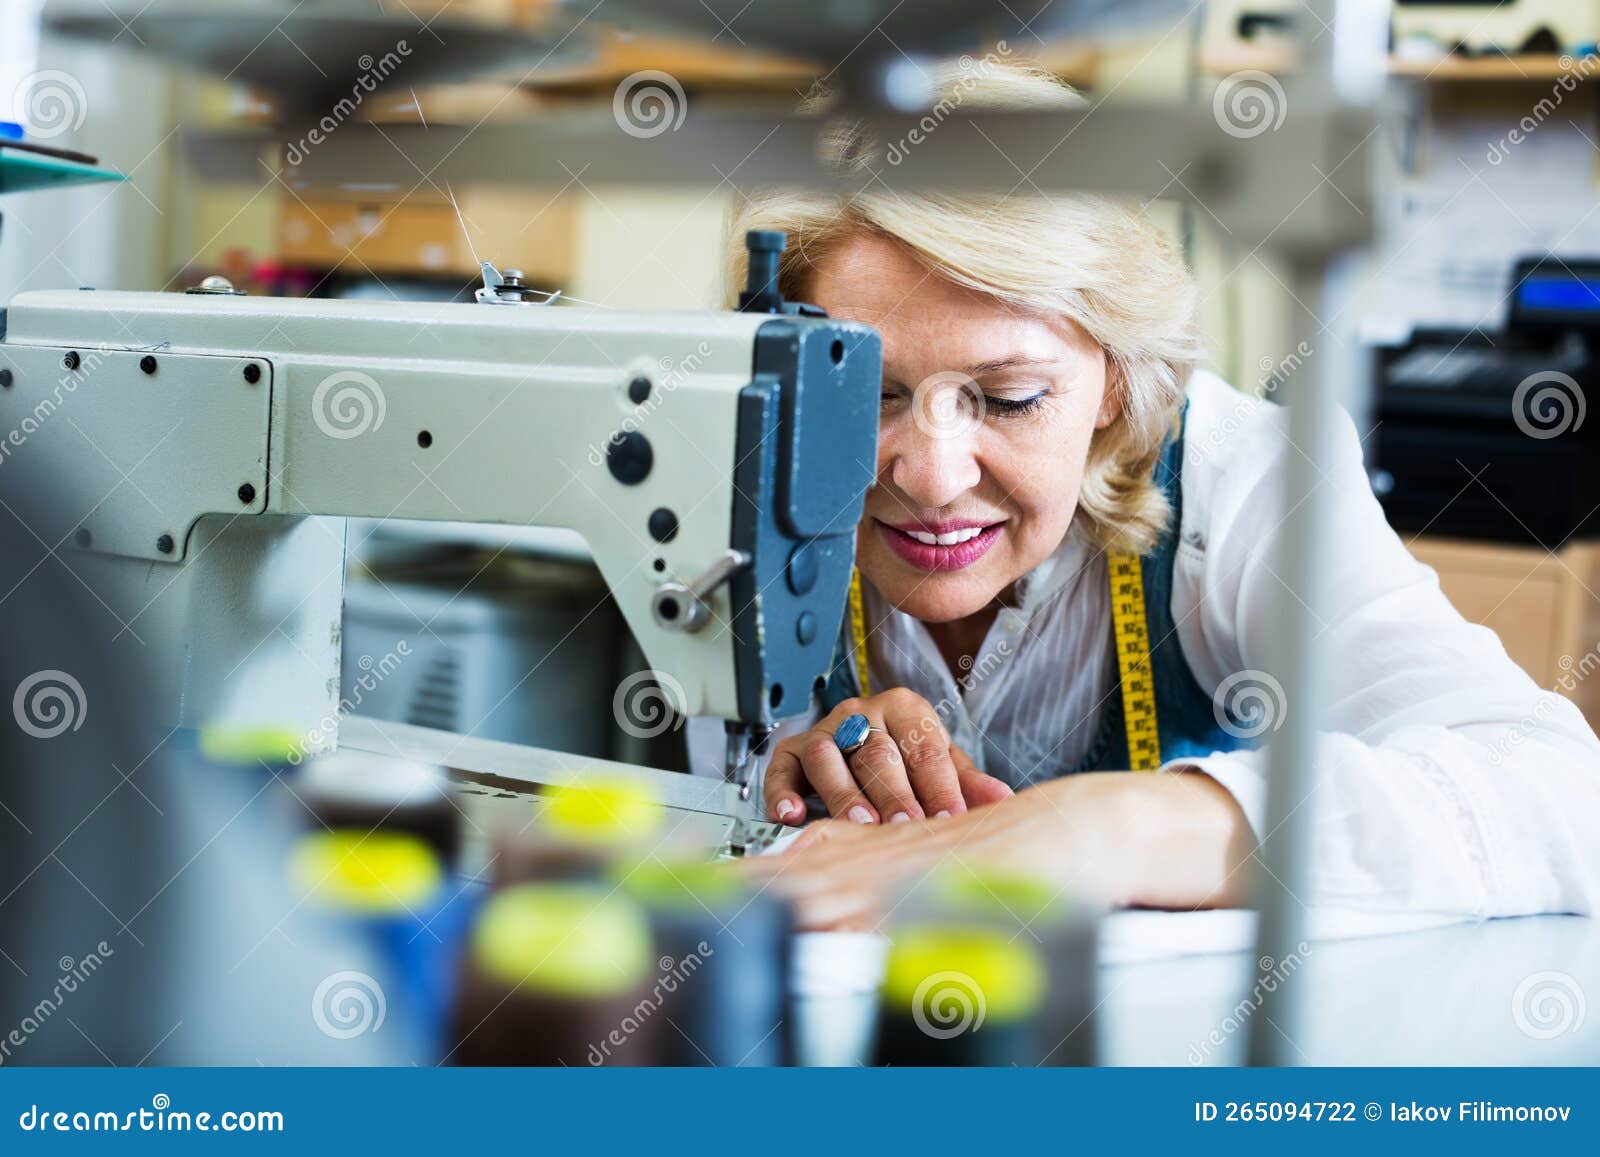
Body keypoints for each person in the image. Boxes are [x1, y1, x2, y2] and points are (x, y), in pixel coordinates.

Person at [725, 63, 1600, 929]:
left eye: (1010, 397)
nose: (933, 475)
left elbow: (1560, 795)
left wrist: (1106, 826)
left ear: (1115, 379)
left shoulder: (1244, 477)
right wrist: (792, 771)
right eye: (868, 390)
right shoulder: (741, 465)